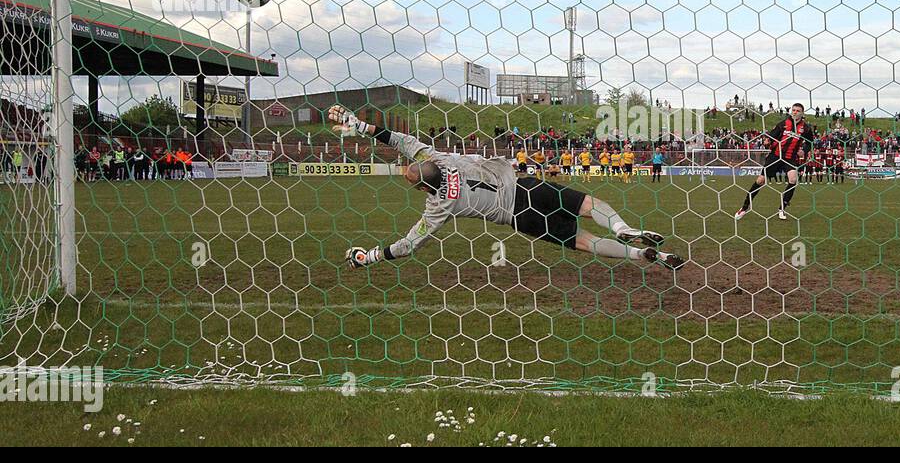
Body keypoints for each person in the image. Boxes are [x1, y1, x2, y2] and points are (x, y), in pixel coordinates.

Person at [326, 106, 684, 271]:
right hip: (525, 187)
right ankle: (622, 228)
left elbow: (408, 246)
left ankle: (640, 257)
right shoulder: (440, 157)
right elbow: (402, 140)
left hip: (517, 217)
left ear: (423, 189)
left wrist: (368, 257)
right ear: (433, 164)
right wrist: (358, 124)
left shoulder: (438, 207)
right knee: (590, 204)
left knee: (582, 241)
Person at [735, 103, 815, 221]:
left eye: (798, 110)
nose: (795, 112)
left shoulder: (806, 128)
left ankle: (782, 209)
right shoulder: (783, 124)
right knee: (760, 181)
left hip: (790, 158)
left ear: (802, 113)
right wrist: (767, 142)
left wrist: (804, 150)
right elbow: (771, 137)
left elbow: (810, 143)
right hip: (776, 156)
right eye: (793, 110)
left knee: (793, 179)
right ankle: (744, 207)